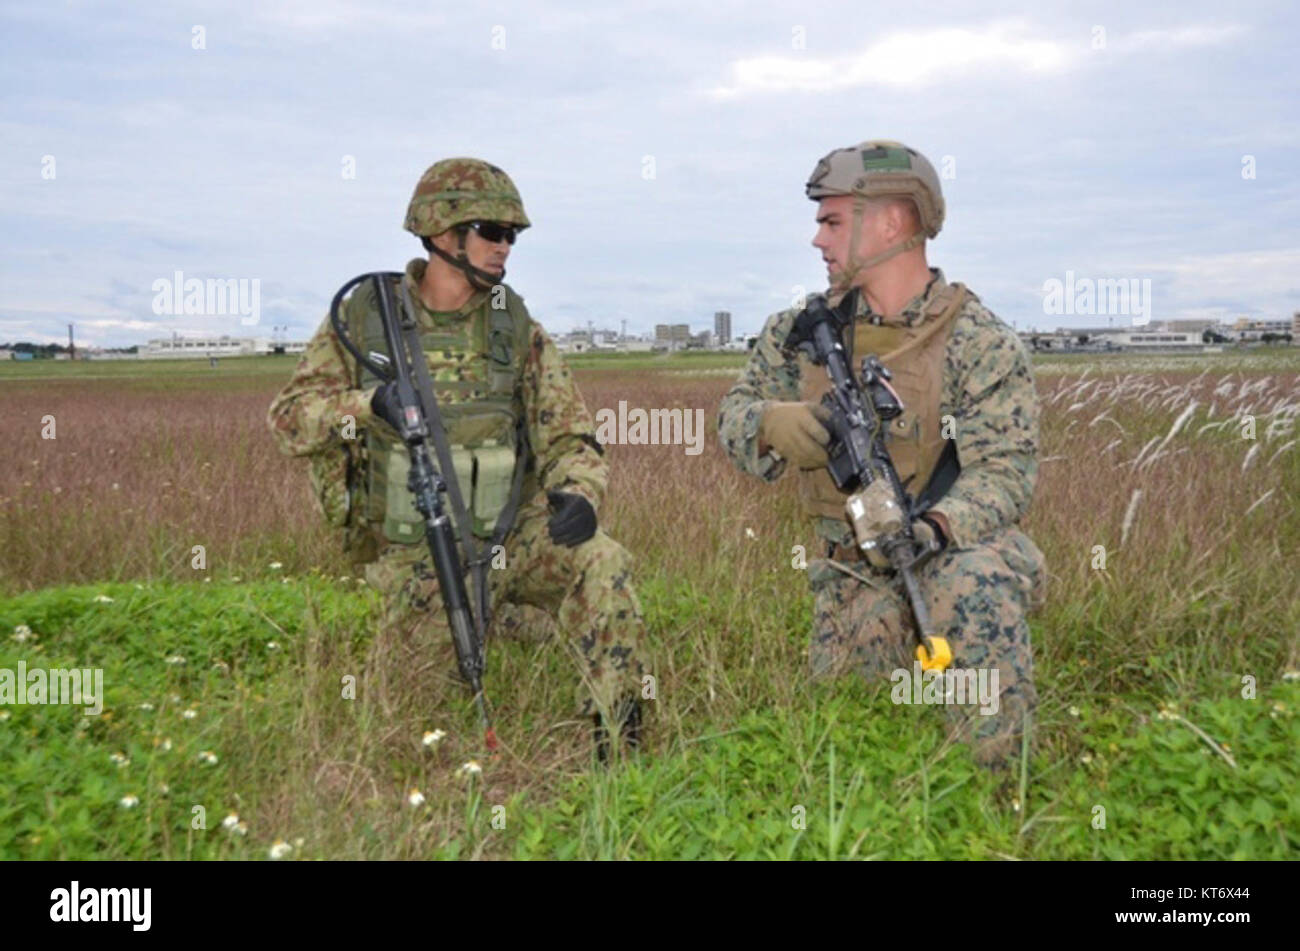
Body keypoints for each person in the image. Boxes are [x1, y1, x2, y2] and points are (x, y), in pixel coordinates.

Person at [267, 158, 647, 760]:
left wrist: (580, 492)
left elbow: (572, 433)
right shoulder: (370, 318)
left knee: (603, 562)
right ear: (444, 234)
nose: (506, 249)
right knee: (414, 716)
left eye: (512, 236)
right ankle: (503, 623)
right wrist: (368, 405)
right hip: (418, 551)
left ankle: (617, 740)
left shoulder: (513, 326)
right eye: (493, 232)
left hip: (506, 537)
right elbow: (289, 422)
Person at [718, 140, 1047, 769]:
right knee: (849, 755)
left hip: (949, 558)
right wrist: (768, 424)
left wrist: (934, 529)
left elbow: (1006, 470)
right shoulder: (802, 334)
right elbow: (732, 415)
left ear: (892, 222)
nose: (818, 240)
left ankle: (1000, 789)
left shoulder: (977, 340)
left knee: (974, 582)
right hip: (848, 572)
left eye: (833, 221)